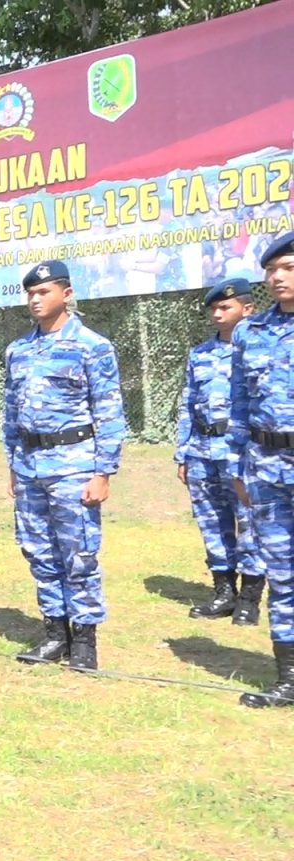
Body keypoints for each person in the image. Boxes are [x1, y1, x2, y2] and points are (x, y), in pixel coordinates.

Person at [4, 261, 124, 671]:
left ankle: (85, 638)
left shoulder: (92, 346)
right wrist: (13, 465)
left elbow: (109, 412)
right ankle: (56, 633)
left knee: (79, 552)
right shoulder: (18, 350)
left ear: (67, 294)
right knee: (38, 550)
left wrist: (103, 472)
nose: (35, 300)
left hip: (74, 464)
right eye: (31, 294)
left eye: (44, 292)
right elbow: (11, 413)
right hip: (30, 464)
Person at [230, 231, 294, 707]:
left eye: (288, 268)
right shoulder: (251, 332)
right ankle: (288, 679)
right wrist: (238, 464)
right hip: (267, 467)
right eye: (271, 270)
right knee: (282, 573)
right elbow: (238, 404)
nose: (277, 277)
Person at [177, 278, 264, 623]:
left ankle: (250, 599)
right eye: (213, 308)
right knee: (212, 522)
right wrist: (183, 452)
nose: (217, 313)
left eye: (225, 307)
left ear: (248, 309)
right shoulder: (200, 354)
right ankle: (224, 593)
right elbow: (188, 404)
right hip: (202, 451)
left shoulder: (258, 352)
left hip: (242, 451)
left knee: (250, 523)